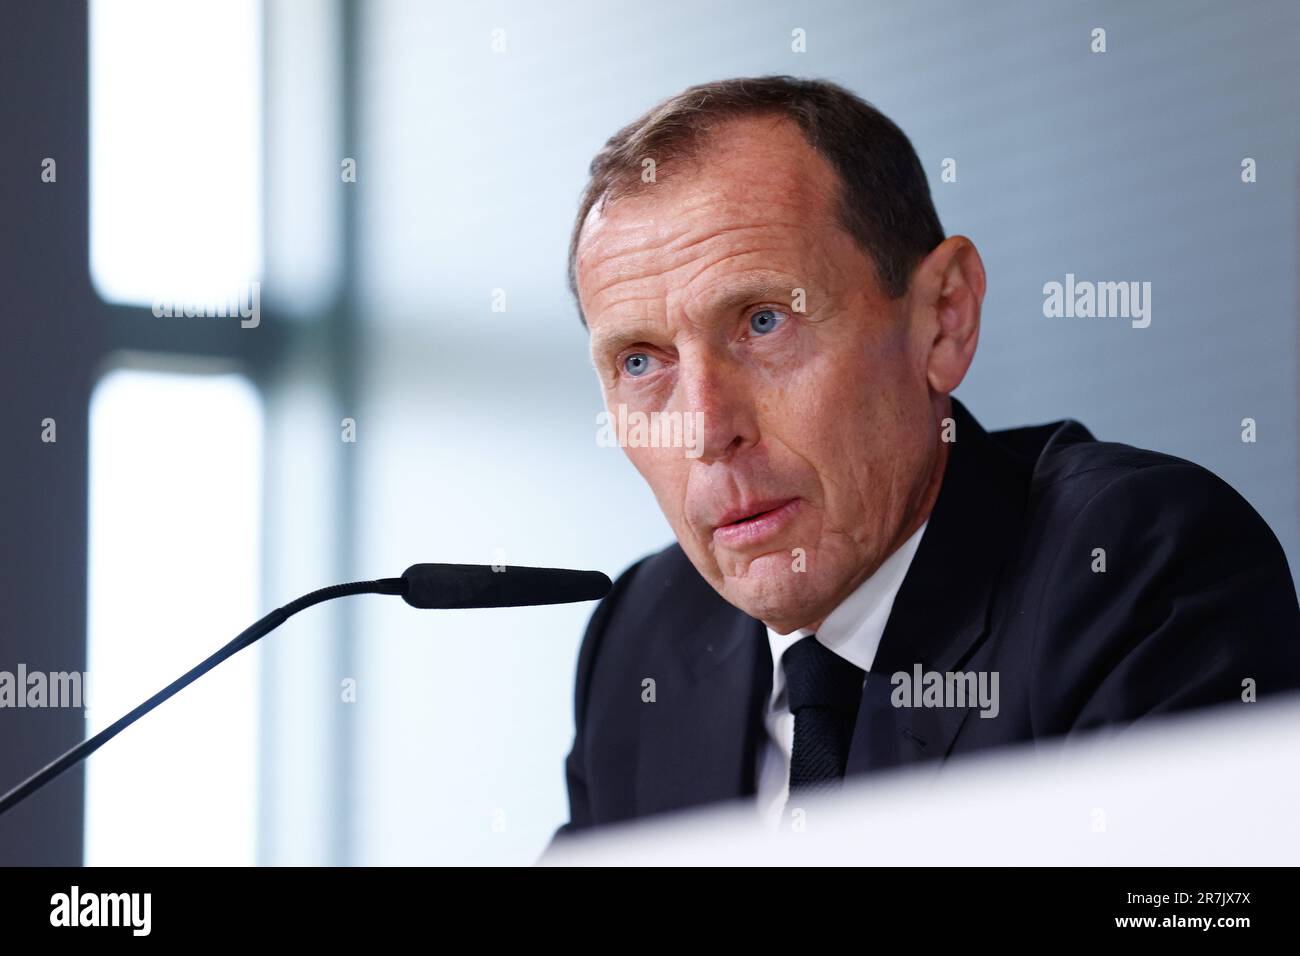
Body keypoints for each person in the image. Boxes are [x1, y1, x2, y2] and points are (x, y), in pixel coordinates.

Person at [553, 75, 1300, 839]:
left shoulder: (1134, 567)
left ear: (943, 318)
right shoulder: (643, 636)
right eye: (641, 364)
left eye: (765, 321)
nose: (707, 430)